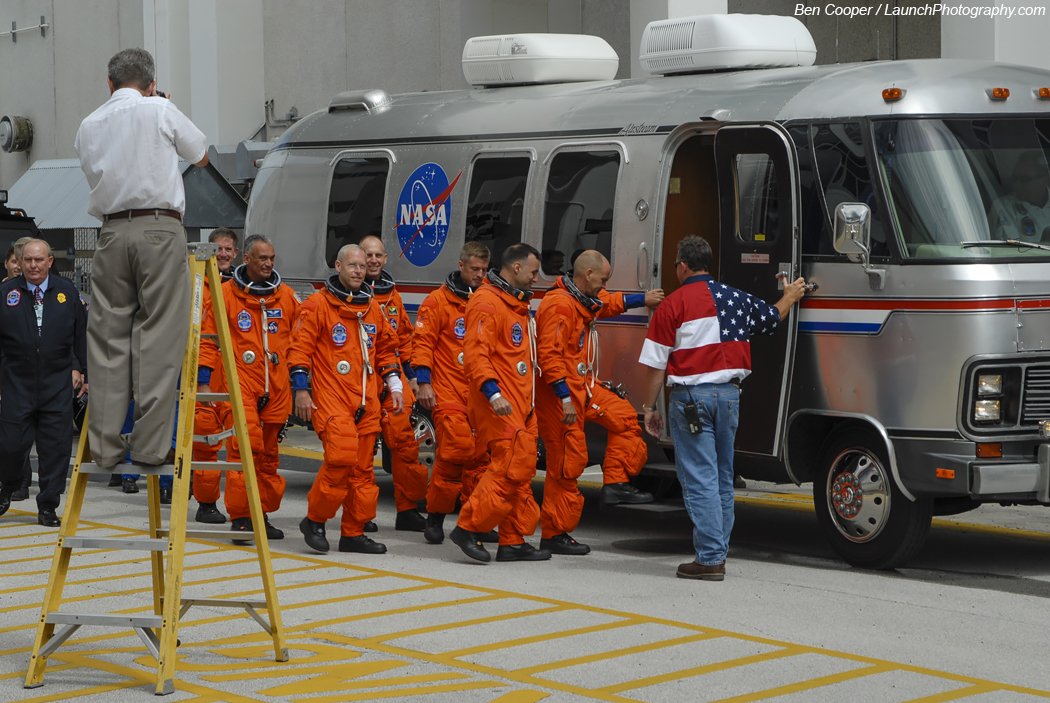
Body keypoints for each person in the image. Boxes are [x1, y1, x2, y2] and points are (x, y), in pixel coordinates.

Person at [637, 235, 806, 581]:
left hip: (691, 400)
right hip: (729, 397)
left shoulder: (672, 305)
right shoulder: (736, 298)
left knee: (700, 478)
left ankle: (711, 558)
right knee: (722, 477)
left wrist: (648, 408)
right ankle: (717, 550)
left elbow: (656, 365)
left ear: (682, 265)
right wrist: (789, 296)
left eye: (675, 265)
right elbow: (772, 318)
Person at [74, 47, 209, 472]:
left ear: (110, 84)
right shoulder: (158, 110)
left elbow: (95, 172)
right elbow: (200, 154)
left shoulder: (89, 124)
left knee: (109, 337)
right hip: (158, 225)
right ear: (151, 84)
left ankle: (106, 446)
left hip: (111, 231)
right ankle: (150, 446)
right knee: (158, 334)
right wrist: (162, 105)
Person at [535, 250, 664, 555]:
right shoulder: (559, 305)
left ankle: (615, 485)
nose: (604, 285)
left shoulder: (581, 299)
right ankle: (554, 533)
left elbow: (607, 302)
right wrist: (565, 397)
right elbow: (549, 357)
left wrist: (642, 299)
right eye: (603, 279)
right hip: (560, 394)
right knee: (566, 465)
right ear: (588, 275)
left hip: (581, 387)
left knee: (625, 418)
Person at [292, 244, 404, 554]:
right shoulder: (317, 305)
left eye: (361, 266)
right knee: (341, 458)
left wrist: (394, 384)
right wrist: (302, 390)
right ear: (338, 266)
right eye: (352, 265)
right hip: (332, 397)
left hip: (366, 398)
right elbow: (299, 350)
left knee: (363, 473)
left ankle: (353, 532)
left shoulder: (372, 308)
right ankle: (315, 520)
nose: (358, 270)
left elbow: (385, 350)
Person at [449, 243, 549, 564]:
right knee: (507, 469)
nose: (537, 278)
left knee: (521, 471)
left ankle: (512, 540)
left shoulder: (514, 304)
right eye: (533, 272)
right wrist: (493, 394)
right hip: (499, 402)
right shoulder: (487, 302)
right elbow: (476, 354)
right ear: (516, 268)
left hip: (520, 402)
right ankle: (468, 527)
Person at [199, 236, 298, 540]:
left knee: (267, 457)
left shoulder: (287, 297)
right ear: (247, 259)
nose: (268, 264)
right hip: (239, 381)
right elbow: (208, 338)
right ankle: (242, 516)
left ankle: (261, 513)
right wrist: (203, 381)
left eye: (272, 258)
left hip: (276, 387)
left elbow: (300, 342)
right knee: (245, 448)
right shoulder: (225, 295)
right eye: (262, 259)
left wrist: (302, 384)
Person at [412, 241, 496, 545]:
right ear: (461, 265)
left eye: (484, 270)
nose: (479, 274)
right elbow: (422, 343)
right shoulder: (437, 302)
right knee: (456, 452)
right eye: (475, 269)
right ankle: (435, 517)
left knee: (481, 459)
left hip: (479, 393)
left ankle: (474, 519)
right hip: (448, 390)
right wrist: (424, 382)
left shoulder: (489, 301)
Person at [0, 239, 87, 526]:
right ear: (19, 262)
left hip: (56, 382)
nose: (33, 265)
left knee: (55, 449)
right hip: (17, 382)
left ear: (50, 261)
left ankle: (48, 506)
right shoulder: (6, 293)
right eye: (28, 260)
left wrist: (81, 370)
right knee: (11, 445)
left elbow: (79, 336)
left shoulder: (66, 292)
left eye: (39, 260)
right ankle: (8, 485)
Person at [359, 235, 428, 532]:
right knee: (360, 453)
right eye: (367, 256)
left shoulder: (393, 297)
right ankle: (360, 514)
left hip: (393, 379)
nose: (373, 261)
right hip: (361, 380)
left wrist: (411, 377)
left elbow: (404, 340)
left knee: (405, 446)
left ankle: (408, 509)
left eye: (378, 256)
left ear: (385, 259)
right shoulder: (345, 296)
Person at [190, 227, 241, 522]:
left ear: (235, 254)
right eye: (218, 249)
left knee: (238, 443)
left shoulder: (240, 287)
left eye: (228, 250)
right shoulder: (196, 283)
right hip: (202, 369)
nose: (223, 254)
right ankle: (206, 503)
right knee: (206, 440)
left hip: (235, 371)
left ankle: (242, 508)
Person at [2, 239, 33, 501]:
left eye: (19, 262)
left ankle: (21, 479)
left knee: (19, 430)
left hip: (22, 375)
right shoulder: (4, 293)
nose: (17, 266)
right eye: (14, 261)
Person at [990, 150, 1050, 242]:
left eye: (1024, 179)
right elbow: (1010, 250)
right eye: (1015, 178)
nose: (1017, 185)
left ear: (1044, 179)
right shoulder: (1004, 207)